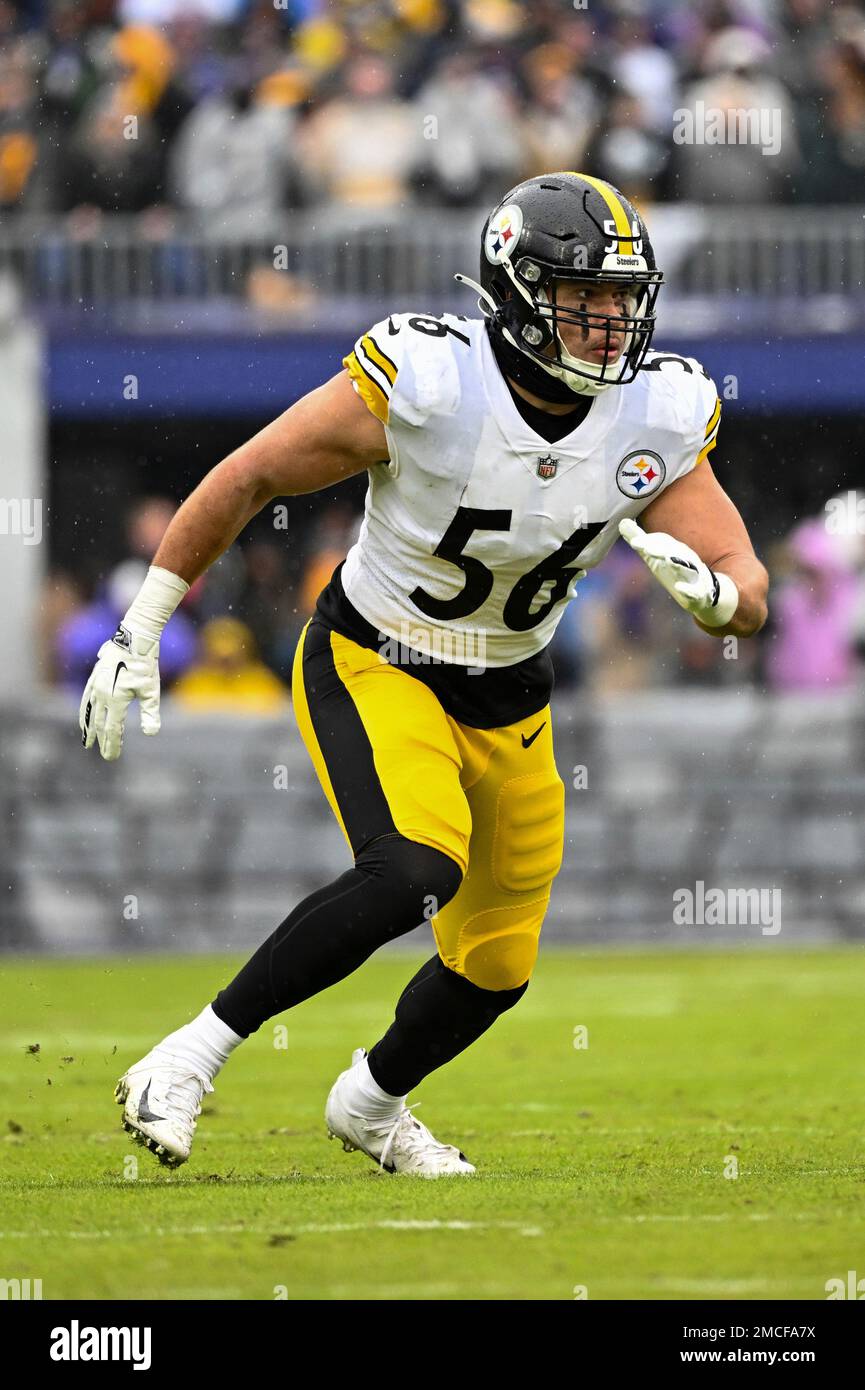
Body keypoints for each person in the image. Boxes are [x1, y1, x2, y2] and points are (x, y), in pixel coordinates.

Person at [79, 172, 768, 1178]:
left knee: (494, 966)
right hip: (379, 653)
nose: (611, 324)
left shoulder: (658, 412)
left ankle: (370, 1103)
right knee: (412, 866)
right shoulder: (429, 382)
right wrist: (140, 626)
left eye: (623, 300)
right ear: (518, 288)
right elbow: (251, 472)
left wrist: (715, 599)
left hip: (511, 693)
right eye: (585, 299)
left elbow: (748, 584)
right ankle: (188, 1056)